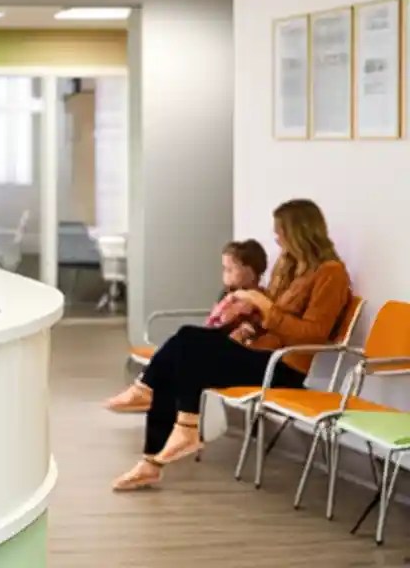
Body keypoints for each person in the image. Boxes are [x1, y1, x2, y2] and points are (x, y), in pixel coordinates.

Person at [108, 199, 351, 491]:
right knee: (184, 349)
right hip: (257, 351)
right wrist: (249, 324)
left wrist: (264, 307)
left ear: (300, 232)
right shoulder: (289, 265)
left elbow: (312, 335)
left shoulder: (331, 273)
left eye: (281, 232)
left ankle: (159, 423)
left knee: (186, 347)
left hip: (282, 367)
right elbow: (268, 314)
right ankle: (164, 442)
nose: (276, 238)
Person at [106, 238, 271, 414]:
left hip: (230, 347)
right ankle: (147, 390)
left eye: (231, 269)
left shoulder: (255, 299)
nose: (225, 274)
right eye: (224, 269)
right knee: (182, 341)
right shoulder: (227, 295)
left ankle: (147, 391)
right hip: (214, 341)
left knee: (185, 340)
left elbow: (251, 327)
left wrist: (241, 329)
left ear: (252, 272)